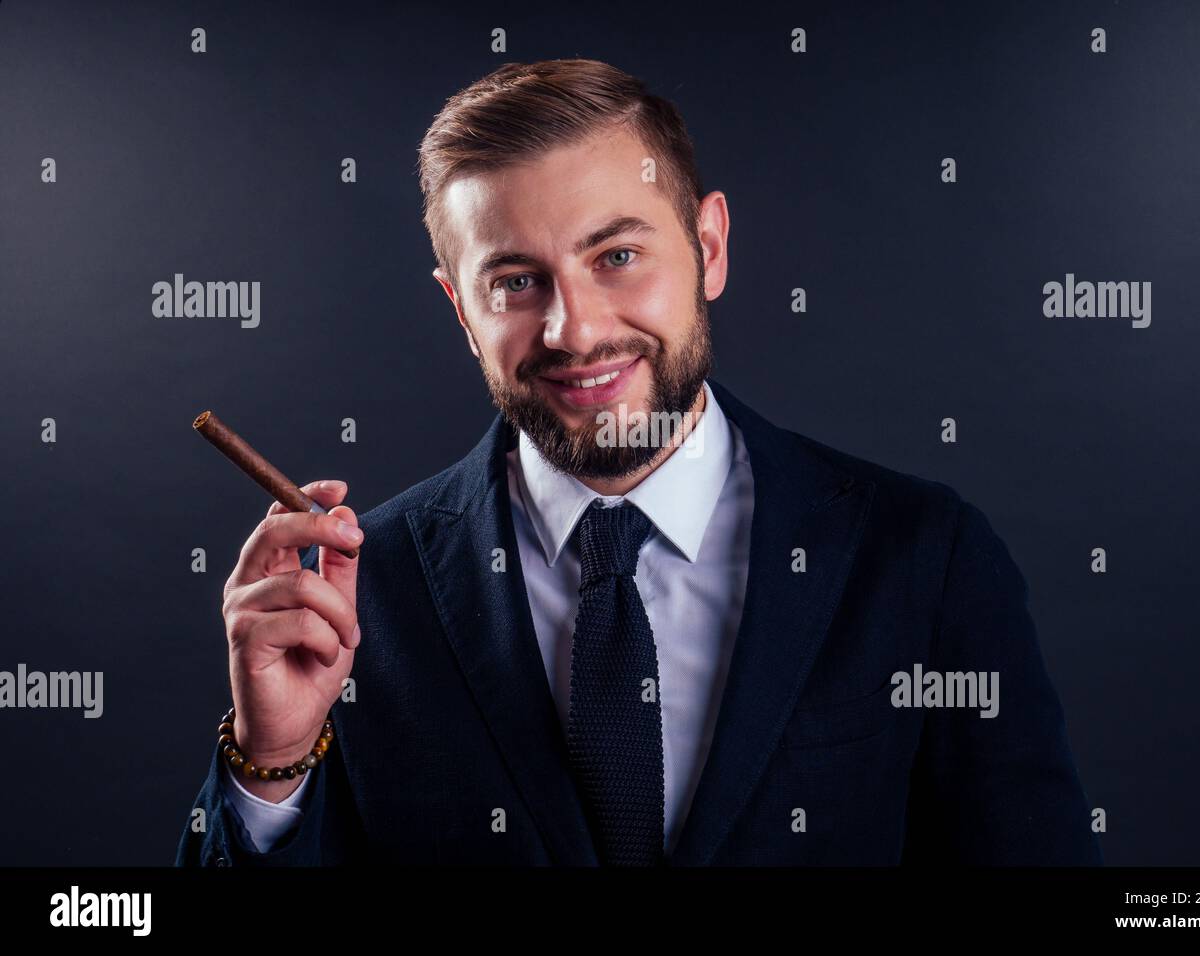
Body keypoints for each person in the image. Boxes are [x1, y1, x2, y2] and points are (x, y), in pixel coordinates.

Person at [176, 58, 1101, 866]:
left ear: (708, 247)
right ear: (462, 310)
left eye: (616, 254)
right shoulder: (358, 598)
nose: (574, 329)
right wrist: (273, 766)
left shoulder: (922, 560)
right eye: (514, 282)